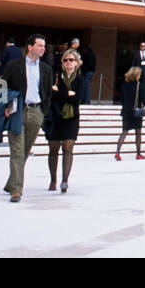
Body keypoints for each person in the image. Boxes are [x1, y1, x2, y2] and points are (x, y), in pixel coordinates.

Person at [0, 34, 54, 203]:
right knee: (17, 149)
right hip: (18, 110)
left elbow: (48, 92)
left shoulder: (46, 69)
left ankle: (11, 182)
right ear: (29, 47)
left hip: (36, 111)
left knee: (24, 149)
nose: (42, 48)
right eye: (39, 45)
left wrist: (43, 111)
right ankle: (16, 190)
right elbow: (1, 84)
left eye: (44, 46)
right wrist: (4, 107)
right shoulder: (14, 65)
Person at [44, 49, 84, 191]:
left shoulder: (80, 79)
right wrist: (67, 93)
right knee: (53, 149)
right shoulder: (56, 77)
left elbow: (78, 98)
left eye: (71, 60)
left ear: (77, 63)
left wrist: (60, 94)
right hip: (55, 117)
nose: (68, 62)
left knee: (68, 147)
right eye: (65, 60)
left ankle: (65, 180)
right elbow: (51, 95)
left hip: (72, 118)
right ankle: (53, 180)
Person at [116, 67, 145, 160]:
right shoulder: (140, 86)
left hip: (125, 111)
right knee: (138, 133)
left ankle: (117, 152)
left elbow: (122, 100)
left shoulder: (124, 86)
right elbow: (144, 100)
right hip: (136, 112)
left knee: (124, 132)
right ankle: (138, 153)